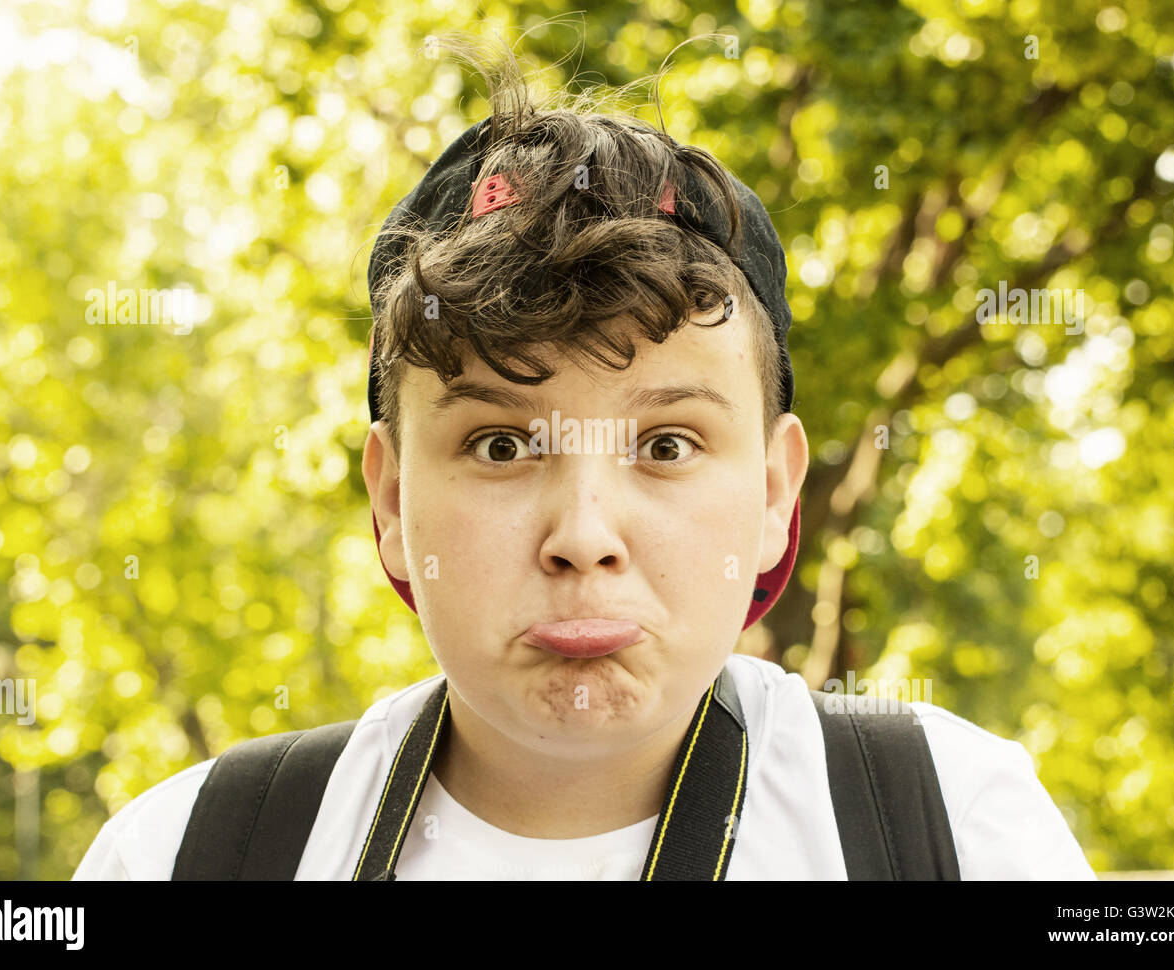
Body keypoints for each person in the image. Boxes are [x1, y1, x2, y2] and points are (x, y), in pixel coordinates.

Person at [73, 40, 1095, 881]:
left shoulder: (953, 826)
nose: (583, 537)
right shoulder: (182, 854)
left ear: (777, 493)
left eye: (665, 444)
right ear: (390, 500)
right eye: (502, 443)